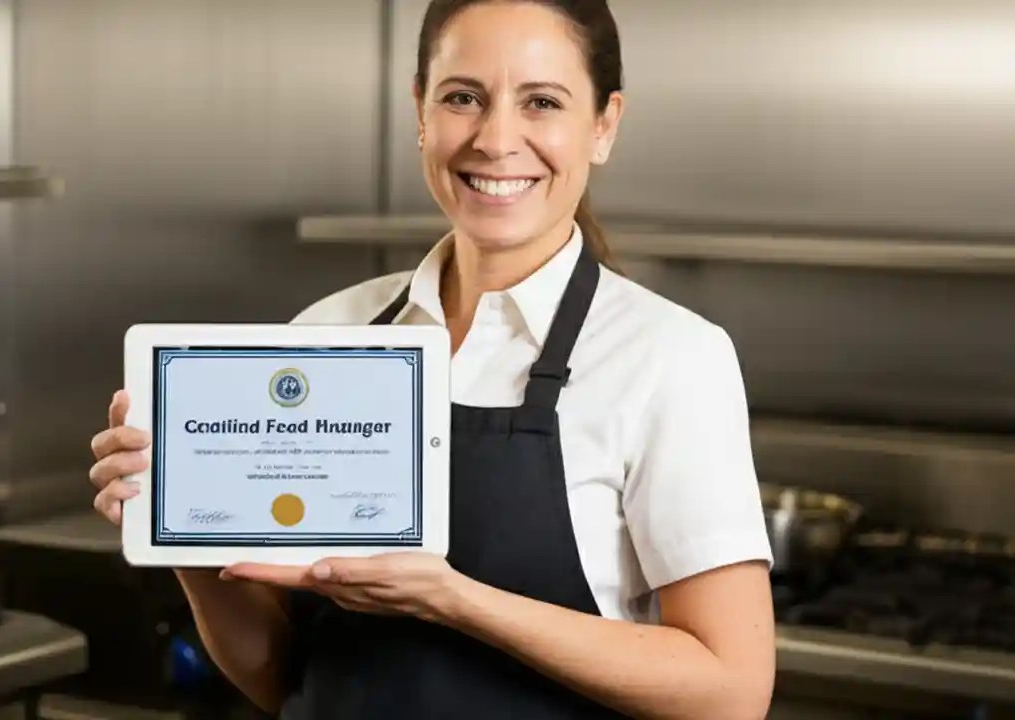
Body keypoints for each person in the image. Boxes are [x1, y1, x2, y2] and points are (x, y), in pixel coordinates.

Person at [88, 0, 776, 717]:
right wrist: (181, 528)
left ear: (603, 125)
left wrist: (455, 601)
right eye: (463, 98)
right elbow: (285, 676)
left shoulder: (669, 358)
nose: (496, 139)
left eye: (542, 102)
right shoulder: (328, 333)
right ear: (420, 109)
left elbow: (729, 692)